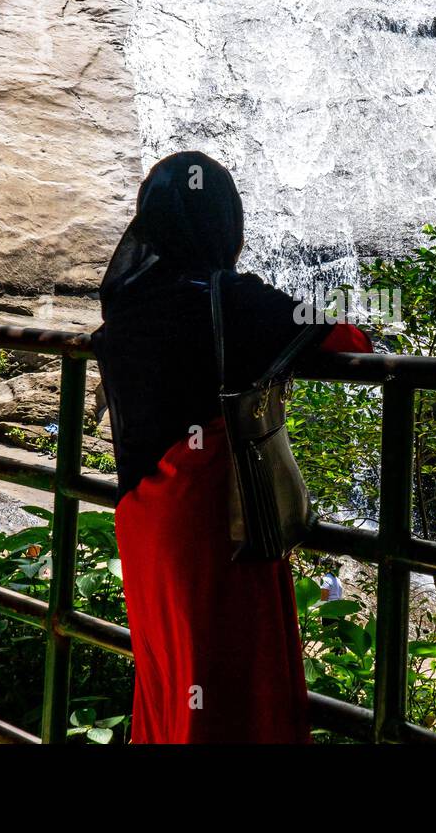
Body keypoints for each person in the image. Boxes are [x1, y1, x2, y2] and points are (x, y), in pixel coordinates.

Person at [92, 152, 372, 744]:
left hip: (143, 517)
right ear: (225, 223)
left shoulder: (127, 303)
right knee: (231, 678)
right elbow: (347, 339)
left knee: (174, 674)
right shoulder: (230, 298)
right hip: (217, 518)